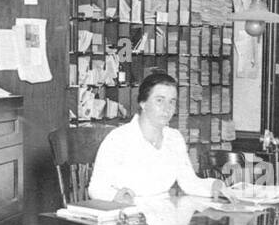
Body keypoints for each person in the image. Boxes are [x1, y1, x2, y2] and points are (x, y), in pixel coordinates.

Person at [87, 70, 225, 203]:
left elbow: (189, 182)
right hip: (129, 216)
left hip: (165, 215)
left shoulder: (174, 138)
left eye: (172, 101)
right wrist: (116, 196)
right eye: (160, 100)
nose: (167, 108)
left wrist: (213, 185)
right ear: (143, 103)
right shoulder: (118, 139)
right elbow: (96, 188)